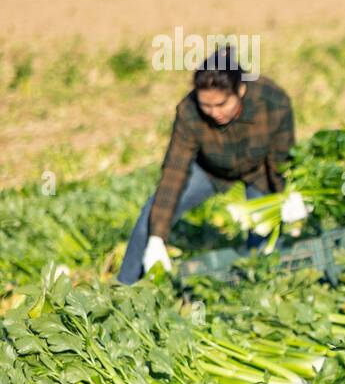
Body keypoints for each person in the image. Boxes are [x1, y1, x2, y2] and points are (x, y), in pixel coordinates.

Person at [117, 46, 305, 284]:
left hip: (258, 172)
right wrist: (157, 236)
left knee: (264, 241)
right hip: (208, 170)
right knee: (152, 215)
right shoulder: (189, 110)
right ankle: (124, 285)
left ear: (240, 89)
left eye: (221, 104)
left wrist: (286, 193)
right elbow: (175, 169)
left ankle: (250, 289)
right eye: (206, 105)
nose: (213, 113)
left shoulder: (272, 101)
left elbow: (281, 156)